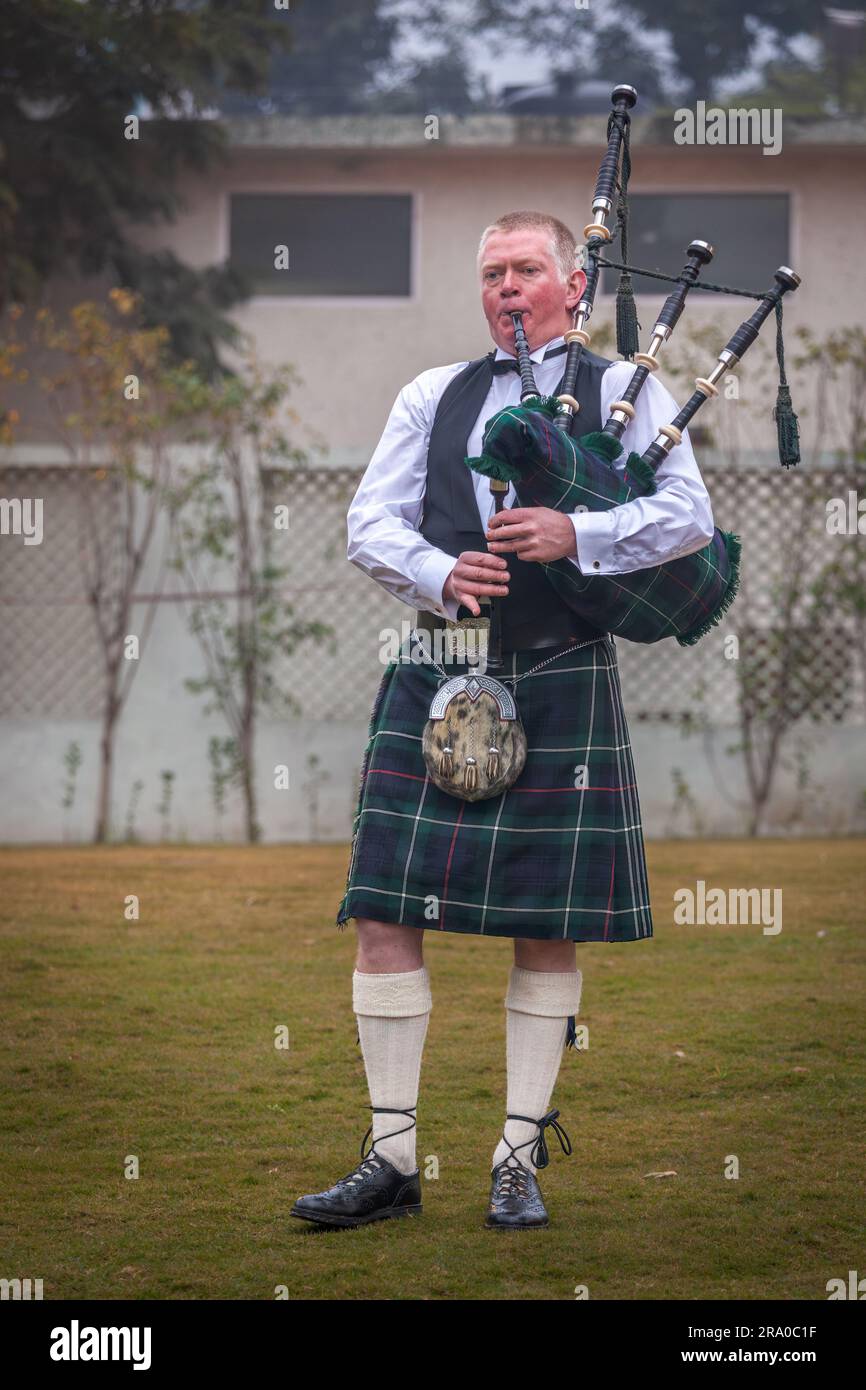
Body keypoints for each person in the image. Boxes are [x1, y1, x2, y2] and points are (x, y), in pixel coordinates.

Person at [291, 210, 714, 1232]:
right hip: (439, 667)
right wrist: (439, 570)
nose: (507, 287)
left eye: (526, 268)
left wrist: (582, 528)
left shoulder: (625, 389)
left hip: (560, 666)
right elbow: (369, 522)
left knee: (545, 923)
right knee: (385, 910)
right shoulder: (432, 394)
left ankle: (516, 1159)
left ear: (573, 282)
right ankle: (390, 1159)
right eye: (491, 273)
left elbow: (689, 515)